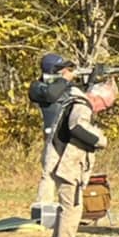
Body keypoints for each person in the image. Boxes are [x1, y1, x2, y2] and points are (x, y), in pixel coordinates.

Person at [47, 76, 118, 237]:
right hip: (66, 164)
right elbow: (77, 127)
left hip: (63, 161)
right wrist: (100, 140)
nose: (103, 109)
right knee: (72, 207)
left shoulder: (75, 102)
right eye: (105, 104)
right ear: (96, 96)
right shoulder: (82, 105)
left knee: (68, 206)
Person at [29, 53, 77, 205]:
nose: (65, 72)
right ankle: (43, 209)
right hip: (53, 137)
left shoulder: (65, 86)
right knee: (49, 173)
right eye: (61, 70)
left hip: (71, 135)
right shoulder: (38, 87)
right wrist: (64, 80)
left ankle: (72, 209)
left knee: (72, 174)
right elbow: (51, 95)